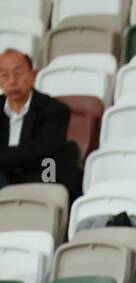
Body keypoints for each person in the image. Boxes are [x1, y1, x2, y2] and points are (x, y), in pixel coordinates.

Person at [0, 49, 79, 194]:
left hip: (40, 177)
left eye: (18, 74)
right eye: (4, 75)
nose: (12, 81)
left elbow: (41, 152)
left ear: (33, 76)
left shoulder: (54, 110)